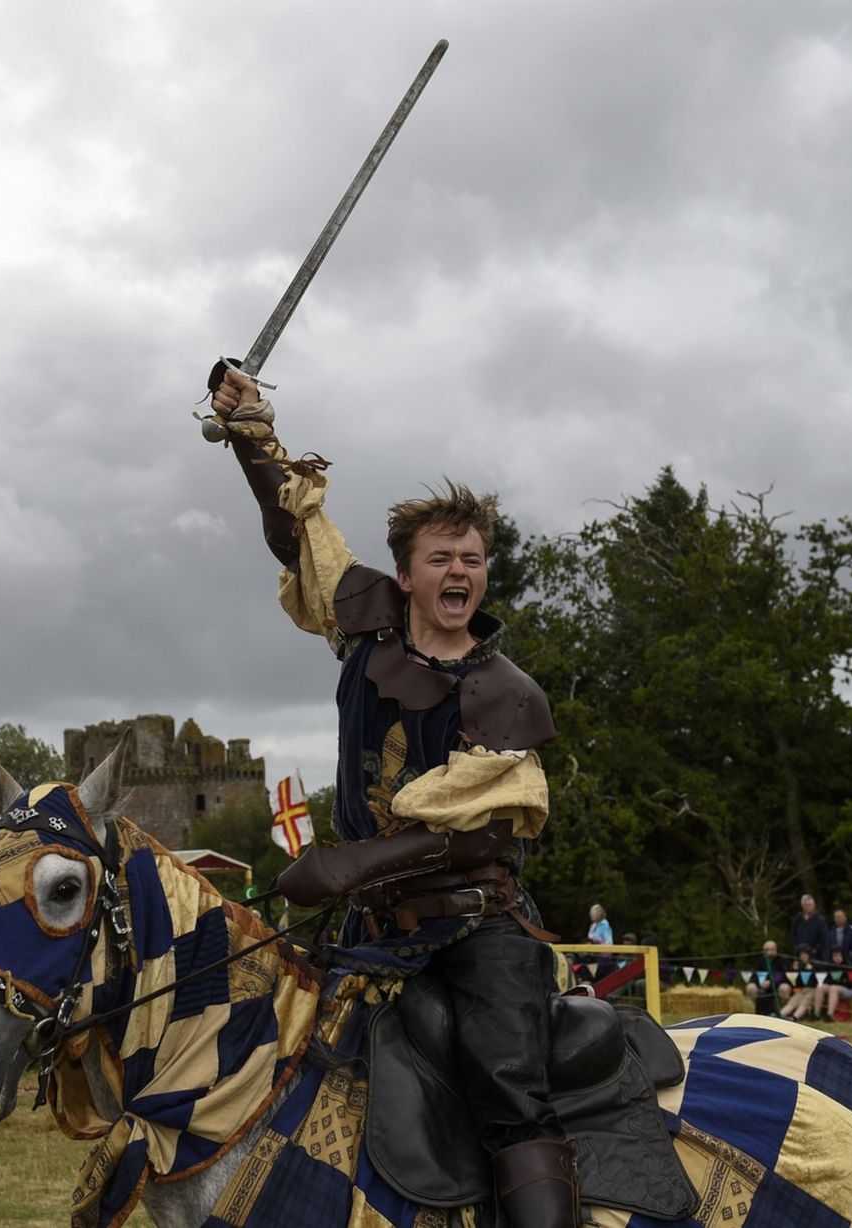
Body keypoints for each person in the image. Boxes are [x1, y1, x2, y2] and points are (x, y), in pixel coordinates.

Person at [209, 365, 575, 1225]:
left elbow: (473, 839)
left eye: (473, 560)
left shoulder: (508, 694)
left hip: (475, 925)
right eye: (441, 559)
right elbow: (296, 533)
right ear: (406, 576)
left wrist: (341, 866)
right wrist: (250, 434)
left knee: (506, 1086)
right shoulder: (364, 625)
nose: (460, 572)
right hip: (370, 927)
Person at [812, 946, 852, 1022]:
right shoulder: (829, 966)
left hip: (850, 990)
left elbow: (850, 984)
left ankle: (829, 1015)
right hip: (834, 988)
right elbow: (826, 981)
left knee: (834, 988)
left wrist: (839, 982)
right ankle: (816, 1014)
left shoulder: (849, 966)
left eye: (839, 955)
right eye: (835, 956)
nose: (837, 958)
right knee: (820, 987)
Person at [743, 939, 791, 1015]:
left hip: (778, 985)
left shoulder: (782, 961)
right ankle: (759, 1010)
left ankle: (783, 1012)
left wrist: (771, 982)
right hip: (763, 986)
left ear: (774, 950)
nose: (765, 952)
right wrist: (759, 983)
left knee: (784, 988)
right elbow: (755, 975)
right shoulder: (761, 960)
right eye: (764, 950)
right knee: (751, 987)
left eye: (767, 950)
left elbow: (785, 976)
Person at [777, 947, 820, 1020]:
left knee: (805, 1002)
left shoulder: (815, 964)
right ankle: (779, 1016)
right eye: (801, 954)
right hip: (801, 990)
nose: (803, 956)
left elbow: (819, 980)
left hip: (812, 990)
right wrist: (794, 970)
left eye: (805, 954)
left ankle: (794, 1017)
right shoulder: (798, 965)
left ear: (809, 955)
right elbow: (794, 982)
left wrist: (812, 970)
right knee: (793, 1001)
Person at [789, 894, 829, 963]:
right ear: (802, 906)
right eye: (806, 905)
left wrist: (814, 951)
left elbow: (823, 939)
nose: (808, 907)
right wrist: (797, 949)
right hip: (799, 955)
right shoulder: (798, 919)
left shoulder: (820, 920)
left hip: (815, 956)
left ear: (814, 905)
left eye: (810, 905)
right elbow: (793, 935)